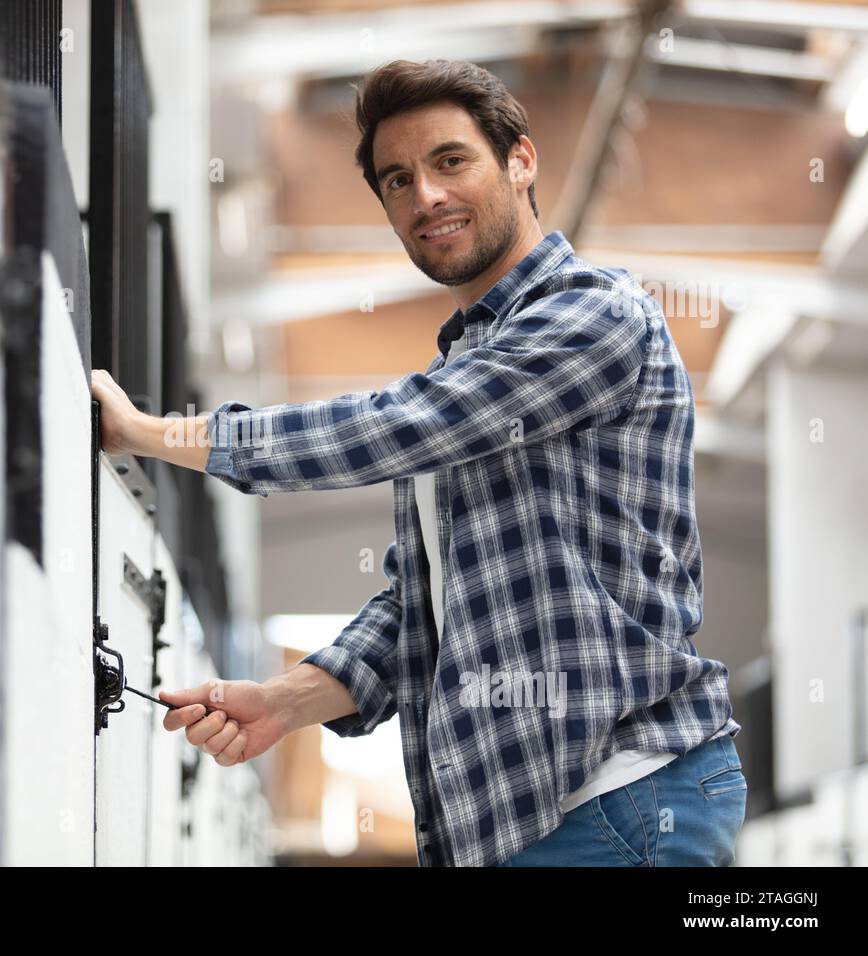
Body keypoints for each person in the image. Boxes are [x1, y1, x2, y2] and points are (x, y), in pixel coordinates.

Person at [90, 58, 745, 867]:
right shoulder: (459, 372)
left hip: (619, 801)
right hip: (525, 822)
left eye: (450, 161)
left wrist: (151, 435)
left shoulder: (595, 315)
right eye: (397, 180)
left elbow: (394, 428)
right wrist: (283, 702)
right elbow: (418, 611)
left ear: (521, 160)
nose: (425, 196)